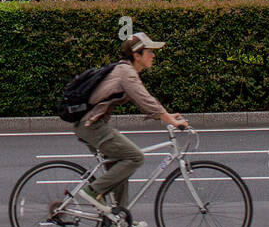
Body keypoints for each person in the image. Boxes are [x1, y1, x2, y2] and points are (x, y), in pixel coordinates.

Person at [73, 31, 186, 215]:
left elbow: (148, 101)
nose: (153, 55)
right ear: (137, 55)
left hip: (91, 124)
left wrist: (167, 115)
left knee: (121, 162)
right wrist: (170, 119)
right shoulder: (126, 73)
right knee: (135, 157)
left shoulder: (125, 70)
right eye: (149, 52)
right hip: (91, 125)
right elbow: (145, 101)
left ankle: (119, 215)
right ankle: (92, 191)